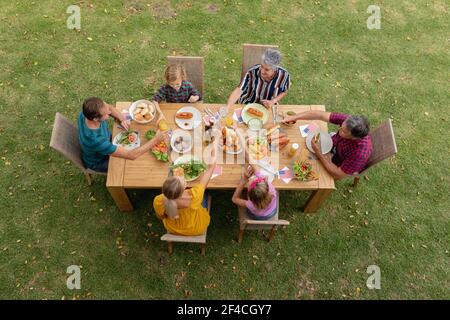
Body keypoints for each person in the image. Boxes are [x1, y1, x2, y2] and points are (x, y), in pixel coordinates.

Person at [78, 97, 168, 172]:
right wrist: (156, 140)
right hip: (100, 161)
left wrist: (122, 119)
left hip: (107, 141)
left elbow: (110, 108)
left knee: (141, 147)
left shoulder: (86, 112)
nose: (109, 112)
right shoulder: (96, 140)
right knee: (138, 164)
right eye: (106, 114)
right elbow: (131, 155)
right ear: (95, 119)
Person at [153, 139, 219, 236]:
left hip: (173, 228)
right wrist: (215, 144)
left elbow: (161, 217)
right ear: (184, 187)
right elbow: (211, 167)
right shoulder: (194, 196)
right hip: (196, 228)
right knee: (204, 195)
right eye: (182, 178)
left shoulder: (158, 200)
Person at [282, 110, 372, 179]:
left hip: (337, 161)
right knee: (299, 143)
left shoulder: (359, 153)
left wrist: (319, 153)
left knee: (303, 165)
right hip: (334, 144)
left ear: (355, 137)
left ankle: (283, 175)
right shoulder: (350, 122)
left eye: (343, 131)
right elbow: (319, 114)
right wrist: (294, 117)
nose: (339, 130)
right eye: (341, 126)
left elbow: (338, 174)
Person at [225, 48, 290, 110]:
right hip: (247, 104)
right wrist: (227, 108)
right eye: (261, 66)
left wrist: (273, 101)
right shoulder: (252, 72)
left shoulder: (284, 76)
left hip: (267, 107)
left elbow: (284, 91)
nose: (262, 71)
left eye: (267, 70)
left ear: (275, 69)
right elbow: (239, 90)